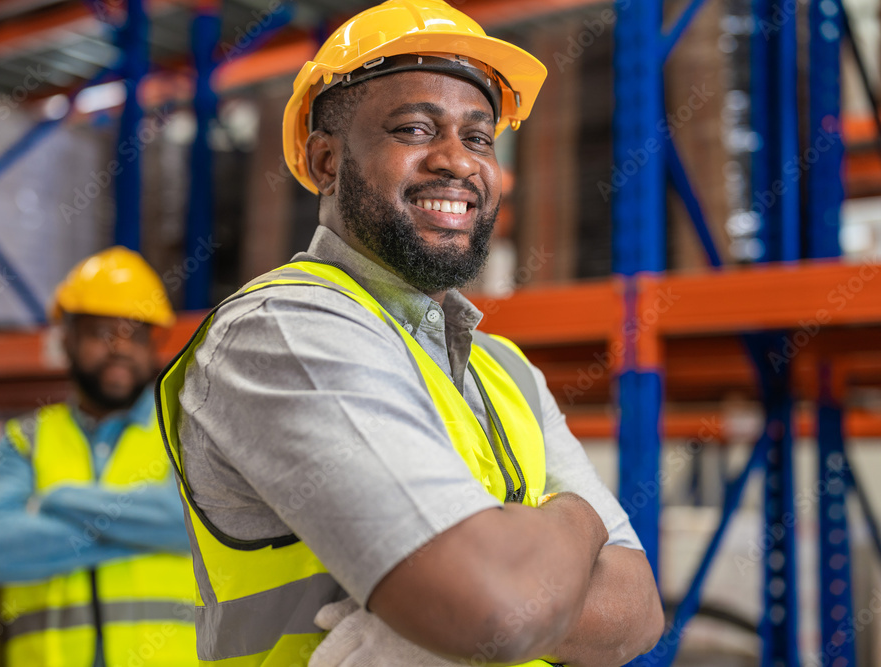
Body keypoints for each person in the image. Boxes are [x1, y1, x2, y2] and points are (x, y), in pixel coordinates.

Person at [157, 1, 665, 665]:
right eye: (416, 128)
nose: (457, 161)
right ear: (325, 160)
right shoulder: (279, 334)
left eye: (479, 137)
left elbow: (638, 614)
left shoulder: (506, 370)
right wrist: (579, 518)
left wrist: (513, 577)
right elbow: (499, 609)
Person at [0, 247, 196, 667]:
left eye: (135, 333)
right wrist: (145, 533)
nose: (120, 348)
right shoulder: (26, 440)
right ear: (67, 339)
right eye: (102, 333)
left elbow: (195, 525)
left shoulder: (183, 431)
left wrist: (58, 499)